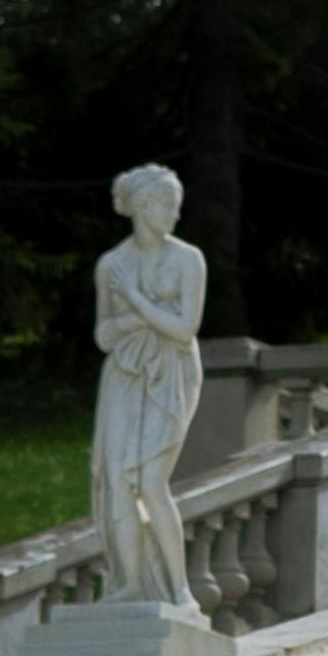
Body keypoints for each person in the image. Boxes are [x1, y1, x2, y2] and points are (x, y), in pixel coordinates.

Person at [86, 166, 210, 612]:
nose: (175, 214)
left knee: (153, 481)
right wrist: (139, 317)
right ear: (142, 207)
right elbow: (103, 336)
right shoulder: (110, 264)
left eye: (176, 205)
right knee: (119, 480)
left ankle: (179, 589)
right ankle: (131, 584)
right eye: (167, 204)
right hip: (123, 374)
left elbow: (184, 329)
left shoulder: (189, 259)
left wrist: (137, 302)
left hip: (172, 373)